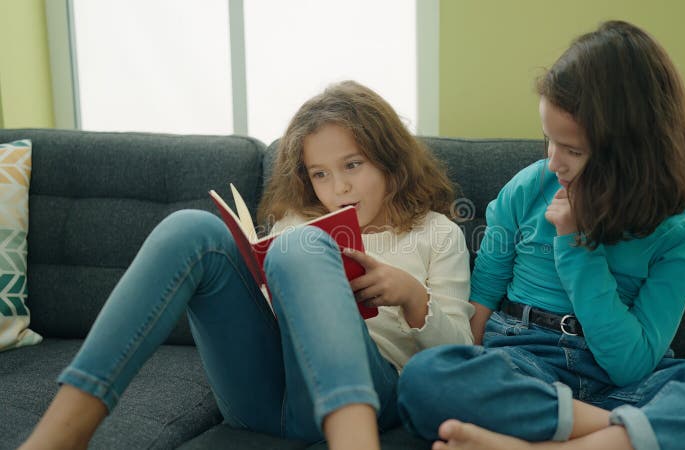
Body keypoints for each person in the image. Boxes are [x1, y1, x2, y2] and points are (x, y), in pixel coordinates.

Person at [396, 20, 685, 450]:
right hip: (523, 363)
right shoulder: (529, 187)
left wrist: (576, 245)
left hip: (627, 383)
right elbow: (480, 303)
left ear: (633, 155)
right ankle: (623, 435)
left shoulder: (680, 230)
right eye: (549, 141)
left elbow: (629, 365)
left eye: (572, 150)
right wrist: (472, 370)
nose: (554, 163)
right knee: (427, 378)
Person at [21, 80, 474, 450]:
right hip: (262, 394)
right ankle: (61, 434)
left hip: (371, 390)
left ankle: (352, 440)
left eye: (352, 165)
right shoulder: (295, 219)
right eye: (320, 173)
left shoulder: (435, 233)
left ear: (391, 162)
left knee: (301, 247)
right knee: (191, 228)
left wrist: (413, 296)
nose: (338, 187)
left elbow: (461, 355)